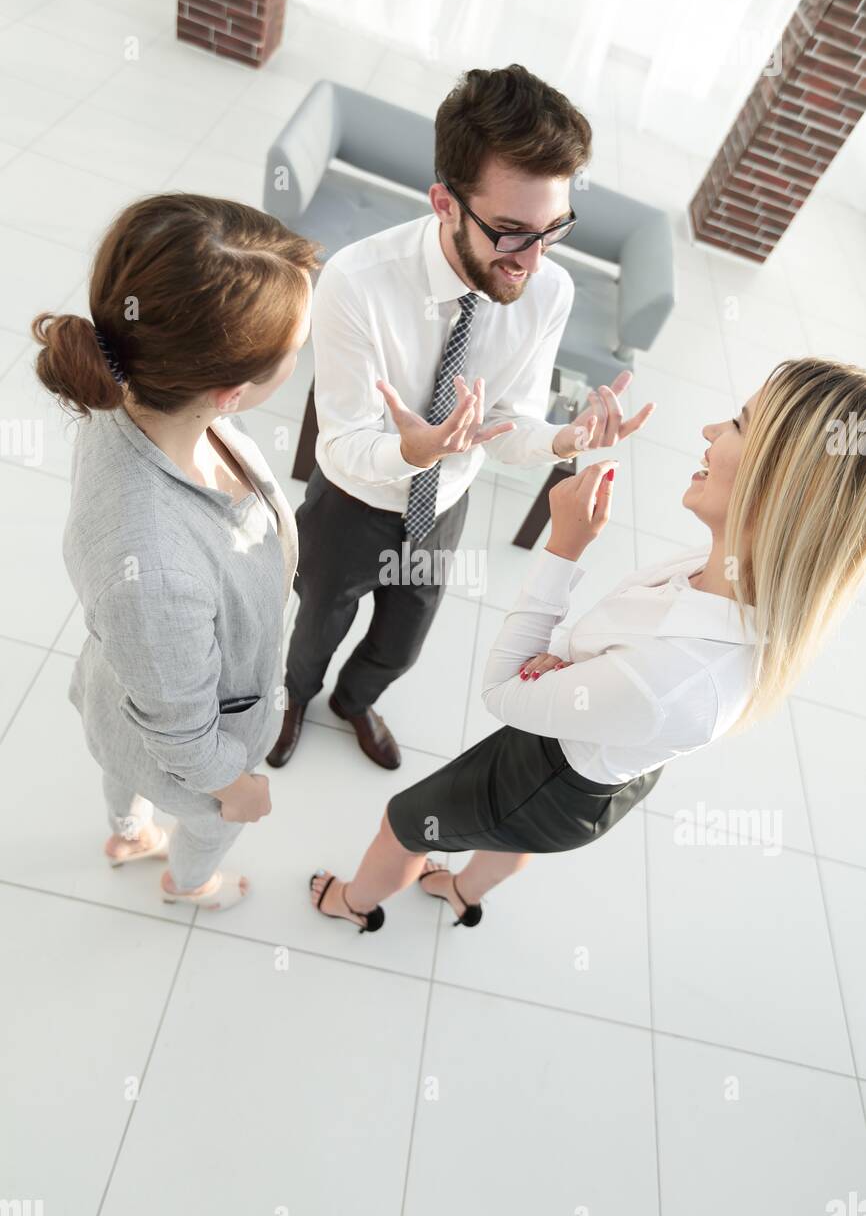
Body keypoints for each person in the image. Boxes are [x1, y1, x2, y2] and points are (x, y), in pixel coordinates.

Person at [308, 359, 866, 931]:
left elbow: (502, 690)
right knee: (513, 832)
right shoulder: (732, 570)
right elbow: (632, 648)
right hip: (596, 772)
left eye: (739, 425)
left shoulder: (670, 682)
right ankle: (461, 891)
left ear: (781, 489)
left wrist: (562, 551)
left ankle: (353, 904)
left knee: (405, 824)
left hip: (549, 776)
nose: (709, 432)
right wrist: (585, 673)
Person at [267, 62, 653, 772]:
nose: (532, 261)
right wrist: (411, 451)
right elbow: (345, 442)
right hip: (352, 502)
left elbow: (510, 425)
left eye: (552, 230)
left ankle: (354, 703)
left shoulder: (549, 287)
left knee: (402, 641)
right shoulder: (356, 281)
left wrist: (564, 439)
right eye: (511, 232)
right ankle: (293, 698)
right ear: (444, 203)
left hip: (442, 507)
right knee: (316, 622)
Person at [32, 193, 317, 911]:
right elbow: (186, 737)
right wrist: (235, 786)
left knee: (120, 762)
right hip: (191, 735)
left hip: (126, 689)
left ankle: (127, 832)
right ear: (229, 392)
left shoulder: (132, 389)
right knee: (210, 824)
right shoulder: (156, 568)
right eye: (296, 348)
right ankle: (189, 885)